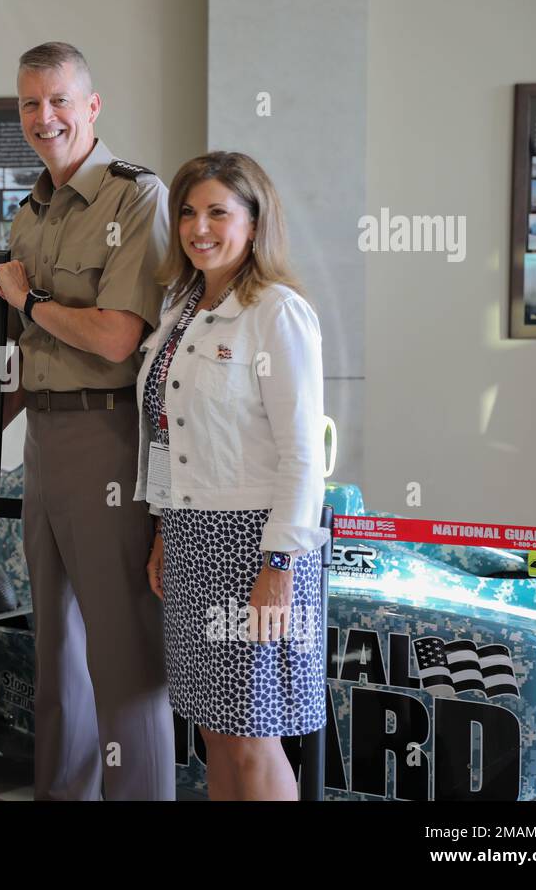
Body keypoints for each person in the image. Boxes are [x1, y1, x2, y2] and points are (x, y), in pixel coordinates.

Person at [0, 41, 176, 800]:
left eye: (58, 100)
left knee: (122, 658)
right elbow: (31, 357)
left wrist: (30, 301)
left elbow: (119, 337)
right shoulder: (31, 212)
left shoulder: (136, 199)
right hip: (44, 441)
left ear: (91, 106)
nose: (43, 116)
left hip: (109, 438)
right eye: (29, 103)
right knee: (55, 654)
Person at [136, 151, 328, 801]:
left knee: (252, 734)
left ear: (254, 221)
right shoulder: (182, 308)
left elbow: (304, 453)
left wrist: (279, 569)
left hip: (257, 546)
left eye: (219, 211)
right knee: (215, 729)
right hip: (192, 537)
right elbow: (168, 430)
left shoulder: (276, 311)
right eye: (187, 212)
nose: (199, 227)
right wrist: (164, 526)